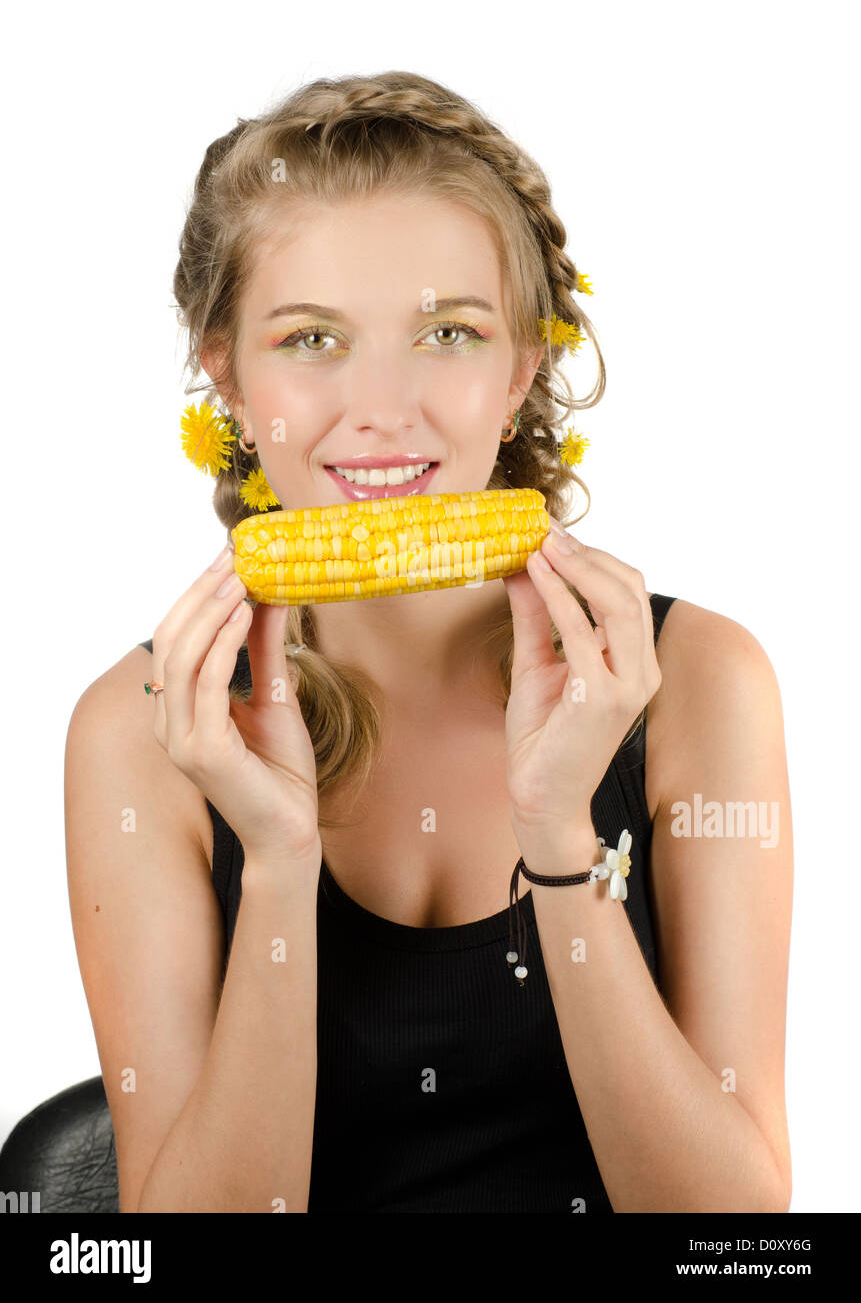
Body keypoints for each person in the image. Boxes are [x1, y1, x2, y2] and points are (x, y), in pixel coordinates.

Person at [64, 70, 793, 1214]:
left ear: (518, 375)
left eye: (447, 331)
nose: (384, 407)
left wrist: (559, 831)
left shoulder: (698, 682)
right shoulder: (142, 732)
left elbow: (731, 1234)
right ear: (230, 379)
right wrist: (277, 862)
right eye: (311, 340)